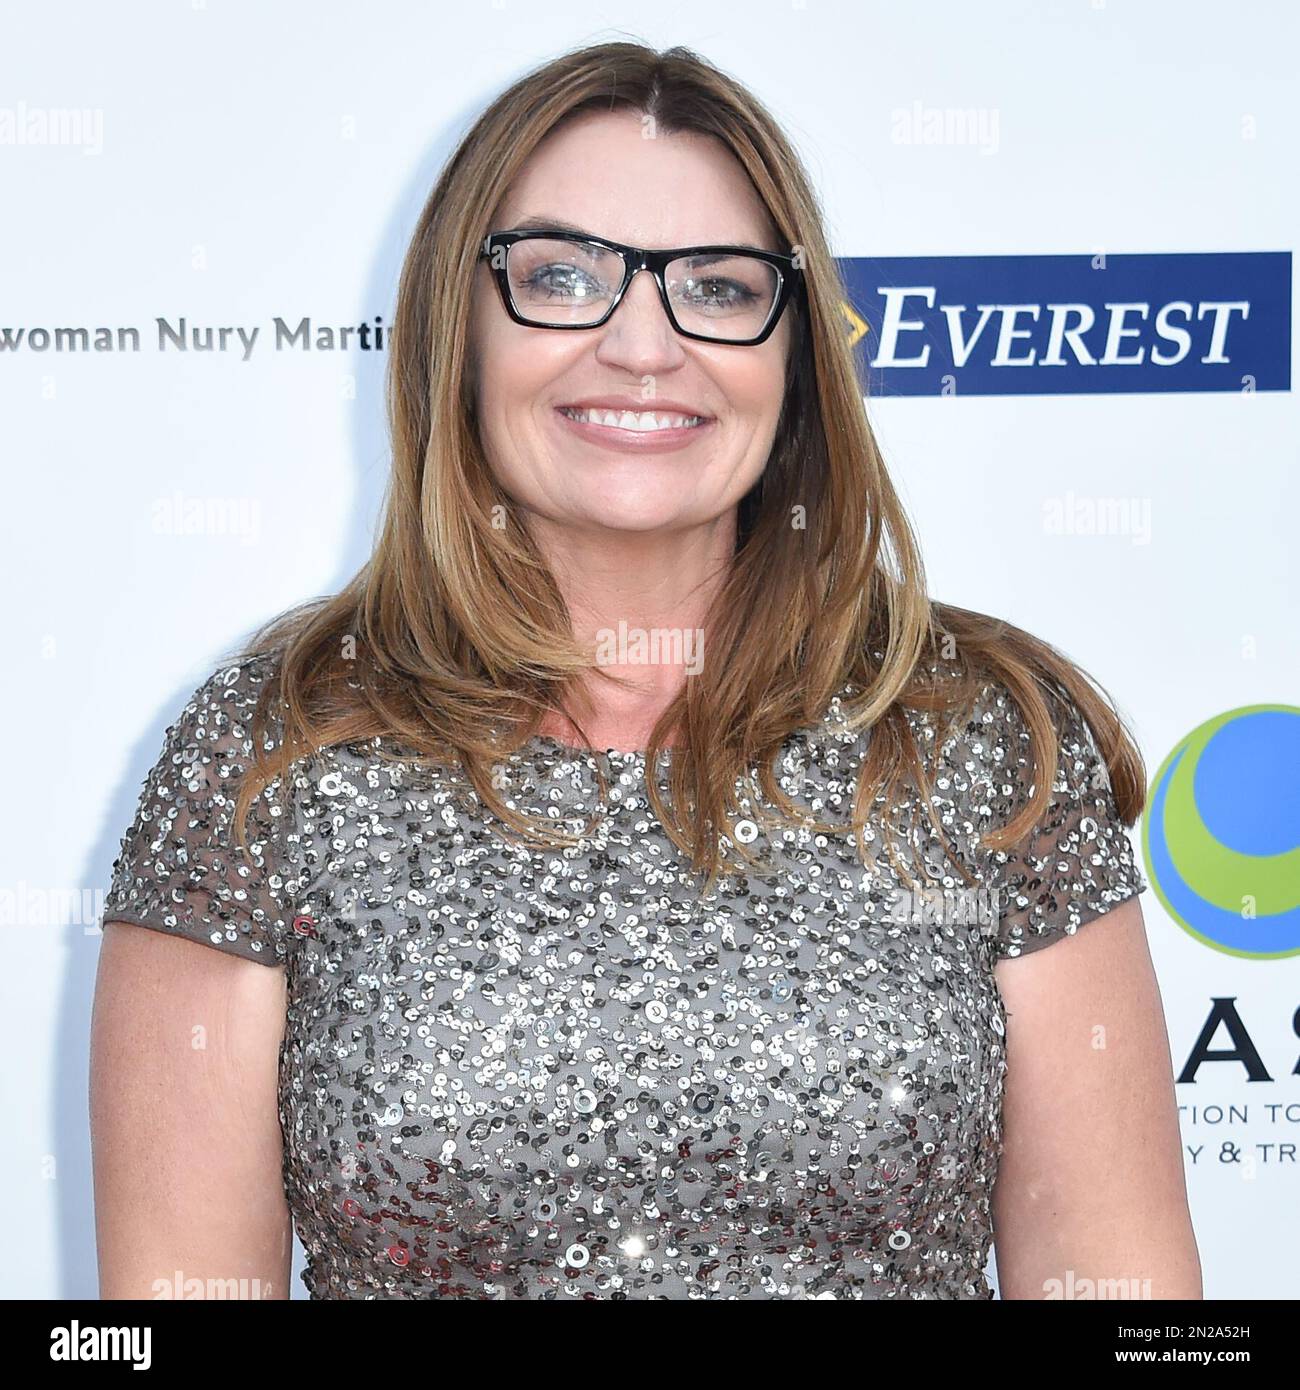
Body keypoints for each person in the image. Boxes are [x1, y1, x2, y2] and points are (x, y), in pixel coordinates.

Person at [90, 40, 1201, 1300]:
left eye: (718, 289)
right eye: (561, 277)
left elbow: (1126, 1303)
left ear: (793, 357)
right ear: (457, 325)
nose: (641, 345)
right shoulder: (275, 748)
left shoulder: (972, 730)